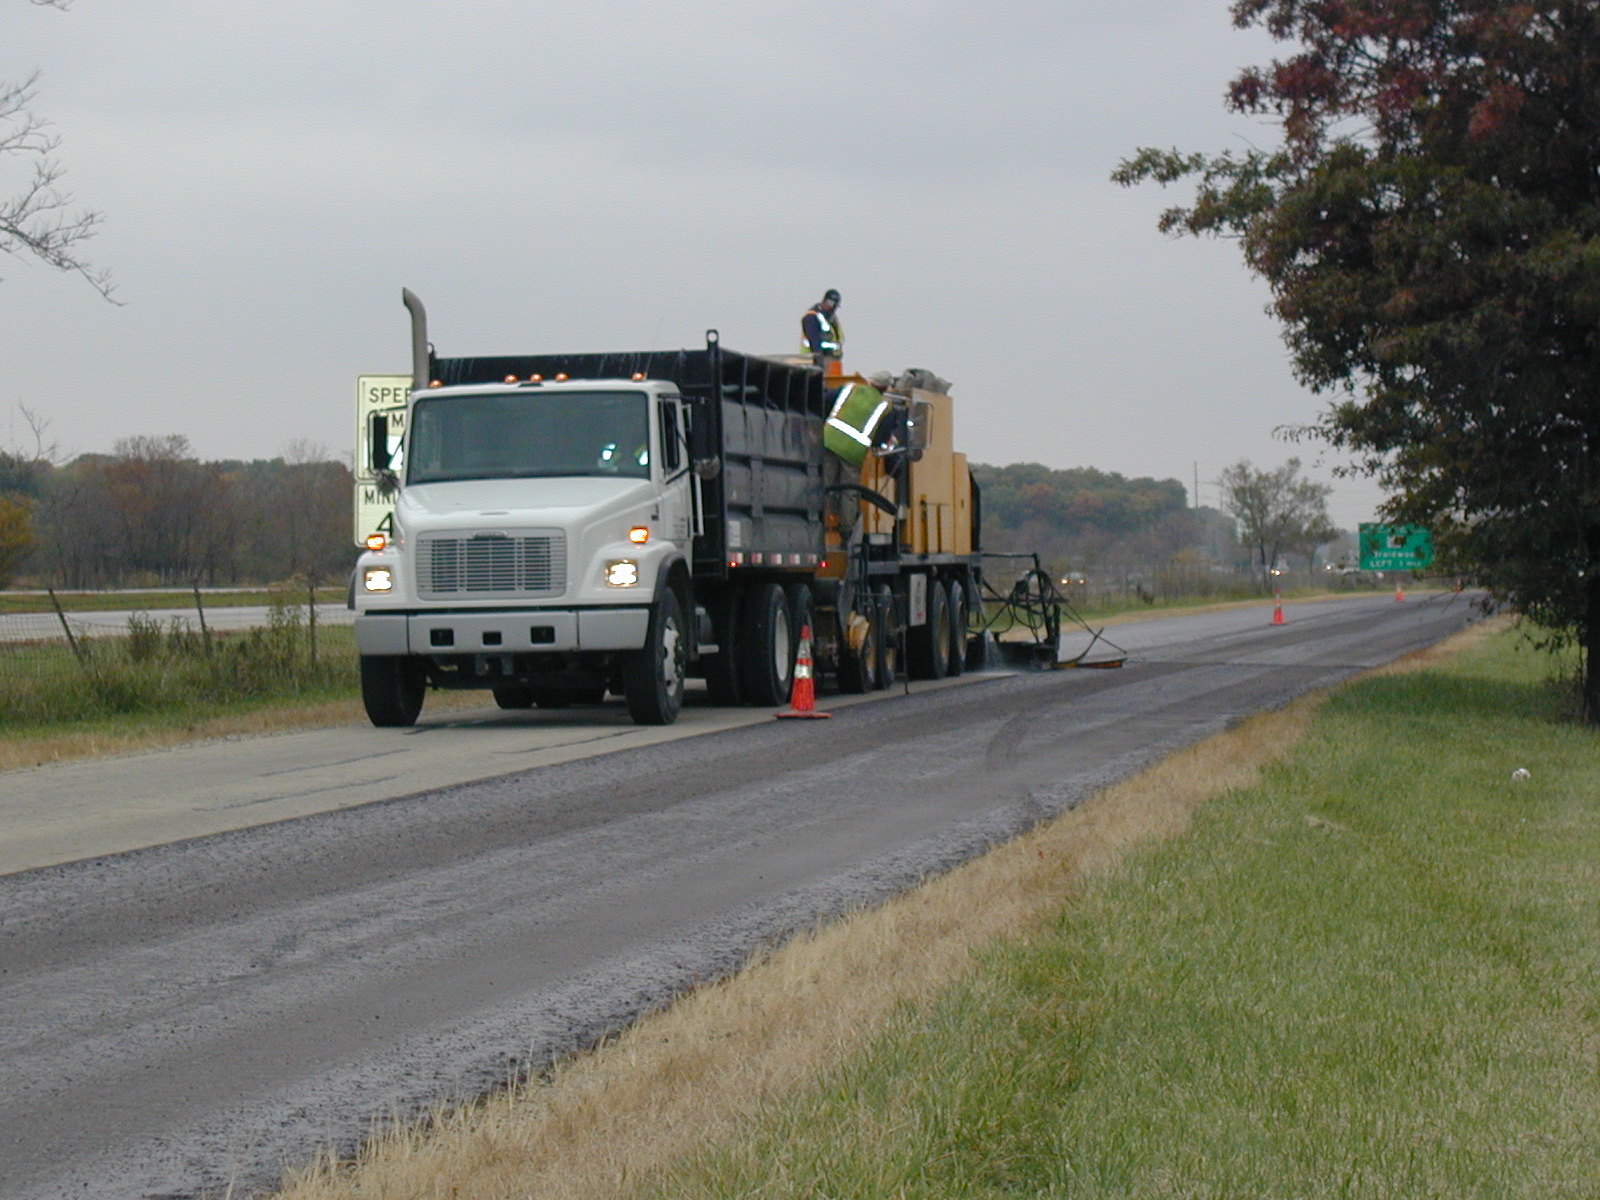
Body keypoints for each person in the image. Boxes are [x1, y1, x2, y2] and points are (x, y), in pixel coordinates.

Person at [800, 289, 844, 369]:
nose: (834, 309)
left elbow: (838, 339)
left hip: (833, 361)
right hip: (814, 361)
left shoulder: (832, 319)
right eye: (834, 306)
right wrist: (819, 362)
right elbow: (814, 342)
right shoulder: (812, 317)